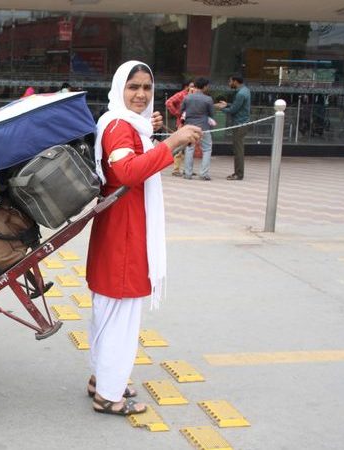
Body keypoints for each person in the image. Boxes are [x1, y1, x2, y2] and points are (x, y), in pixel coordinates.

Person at [85, 60, 201, 416]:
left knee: (108, 312)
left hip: (118, 227)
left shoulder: (120, 122)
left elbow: (134, 154)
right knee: (121, 314)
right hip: (125, 231)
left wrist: (153, 137)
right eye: (133, 86)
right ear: (119, 88)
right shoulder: (120, 126)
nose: (140, 94)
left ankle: (101, 379)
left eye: (147, 88)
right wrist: (175, 142)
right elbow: (126, 171)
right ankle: (108, 394)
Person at [216, 73, 250, 180]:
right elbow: (237, 105)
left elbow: (233, 110)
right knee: (238, 149)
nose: (229, 83)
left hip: (240, 124)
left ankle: (239, 174)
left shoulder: (240, 93)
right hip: (242, 123)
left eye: (230, 81)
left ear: (235, 81)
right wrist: (227, 104)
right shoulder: (245, 90)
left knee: (238, 150)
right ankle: (238, 172)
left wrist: (220, 108)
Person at [181, 77, 215, 181]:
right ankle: (203, 174)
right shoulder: (208, 99)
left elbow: (182, 110)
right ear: (204, 87)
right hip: (204, 127)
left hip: (190, 127)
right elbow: (211, 113)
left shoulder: (187, 98)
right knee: (207, 149)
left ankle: (187, 173)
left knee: (189, 148)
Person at [164, 79, 194, 177]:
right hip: (181, 123)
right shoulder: (181, 94)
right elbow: (168, 102)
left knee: (189, 147)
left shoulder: (193, 96)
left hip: (192, 123)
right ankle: (176, 169)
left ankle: (187, 169)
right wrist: (177, 113)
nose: (194, 88)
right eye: (192, 86)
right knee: (179, 147)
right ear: (186, 86)